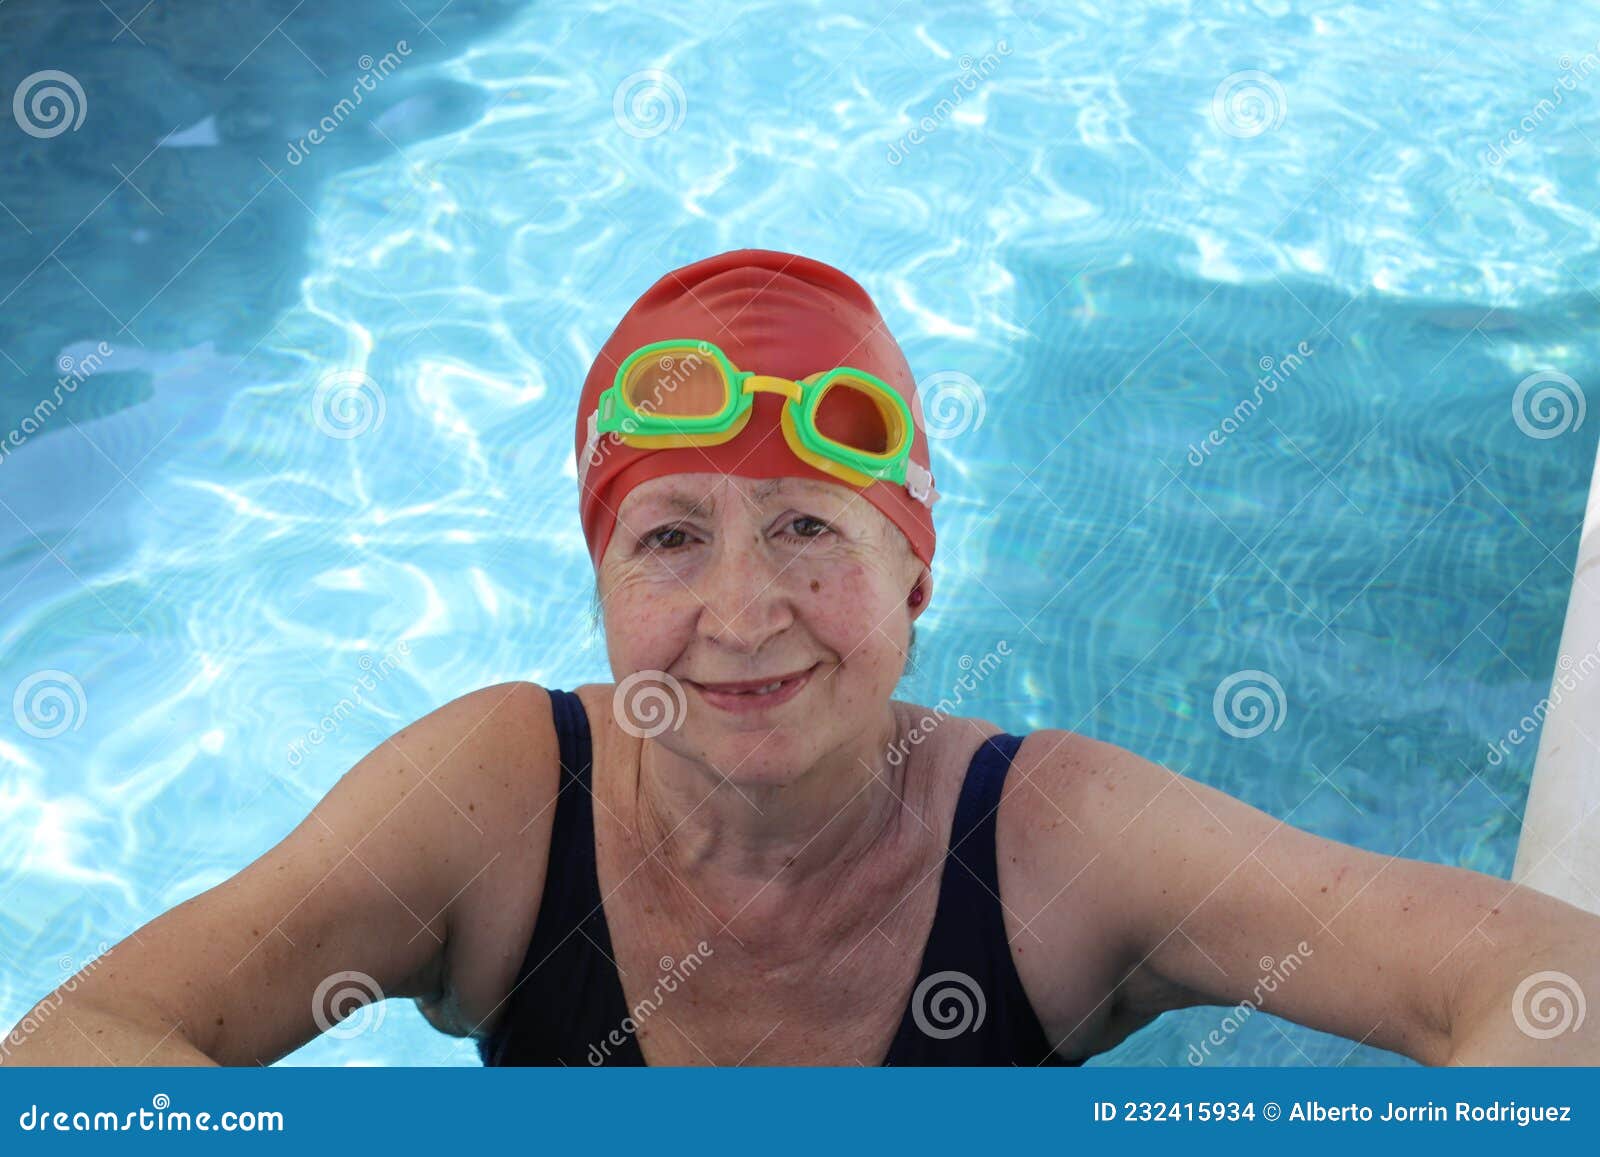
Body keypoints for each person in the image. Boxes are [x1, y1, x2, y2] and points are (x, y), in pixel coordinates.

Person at [6, 249, 1599, 1067]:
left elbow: (1550, 987)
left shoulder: (1050, 844)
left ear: (918, 572)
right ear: (603, 585)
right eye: (672, 538)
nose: (745, 611)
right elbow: (76, 1046)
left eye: (812, 532)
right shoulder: (499, 794)